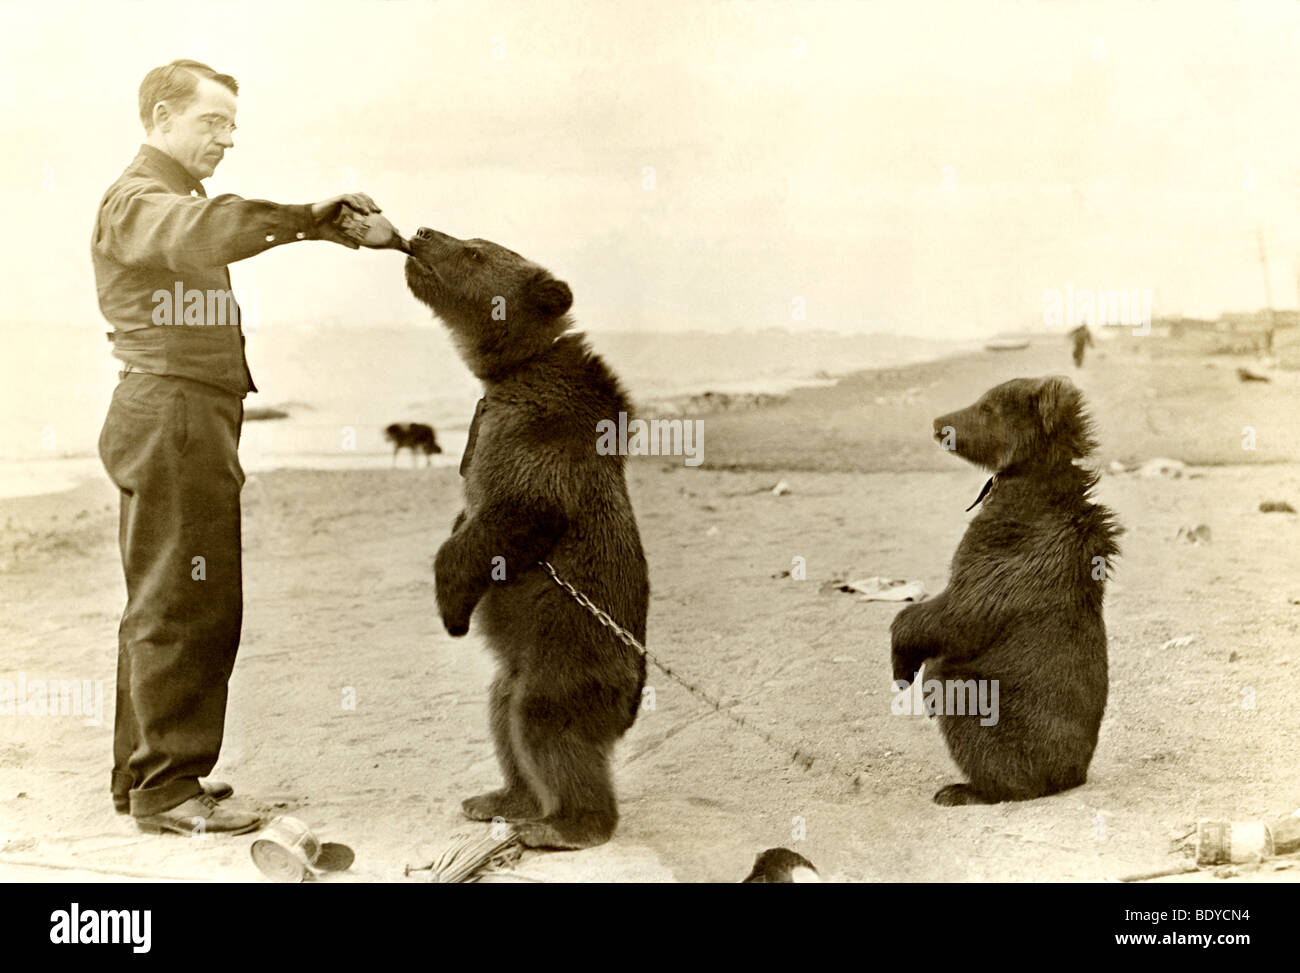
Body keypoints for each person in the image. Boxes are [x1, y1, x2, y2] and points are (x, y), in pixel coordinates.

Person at [93, 59, 384, 835]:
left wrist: (309, 223)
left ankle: (145, 776)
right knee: (189, 600)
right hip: (173, 417)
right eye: (210, 121)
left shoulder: (164, 198)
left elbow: (205, 222)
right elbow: (207, 226)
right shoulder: (141, 201)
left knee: (162, 597)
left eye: (231, 124)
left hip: (179, 414)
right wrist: (307, 218)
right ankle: (168, 788)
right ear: (160, 118)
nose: (227, 136)